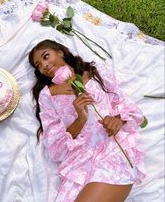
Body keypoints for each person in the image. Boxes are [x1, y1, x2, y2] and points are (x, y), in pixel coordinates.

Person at [28, 39, 146, 202]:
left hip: (113, 151)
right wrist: (80, 119)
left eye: (46, 56)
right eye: (38, 65)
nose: (44, 65)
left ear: (60, 52)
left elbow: (125, 104)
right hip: (80, 165)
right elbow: (55, 147)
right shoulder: (47, 95)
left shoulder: (95, 72)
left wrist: (118, 120)